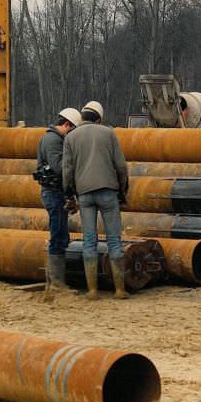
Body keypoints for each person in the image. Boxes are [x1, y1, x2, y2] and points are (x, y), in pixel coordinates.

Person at [62, 100, 129, 300]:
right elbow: (121, 166)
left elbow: (67, 170)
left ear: (82, 117)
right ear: (99, 119)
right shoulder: (108, 133)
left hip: (84, 194)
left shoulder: (71, 137)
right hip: (108, 192)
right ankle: (119, 290)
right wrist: (123, 190)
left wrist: (69, 193)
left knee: (89, 241)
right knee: (114, 240)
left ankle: (92, 290)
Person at [35, 107, 82, 296]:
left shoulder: (54, 139)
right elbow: (59, 167)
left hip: (56, 193)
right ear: (67, 125)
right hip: (53, 193)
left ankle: (56, 282)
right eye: (72, 130)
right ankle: (56, 284)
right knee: (58, 235)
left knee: (61, 234)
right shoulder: (53, 140)